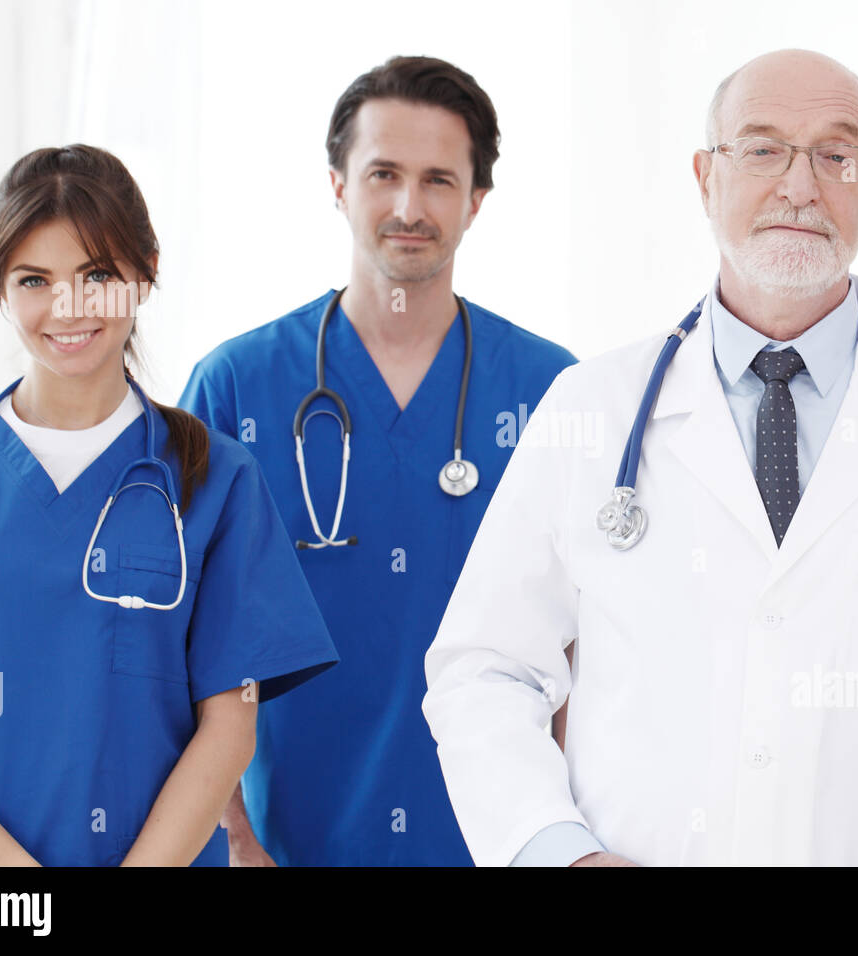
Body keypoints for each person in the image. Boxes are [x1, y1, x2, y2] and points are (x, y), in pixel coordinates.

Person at [421, 49, 858, 867]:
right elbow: (484, 669)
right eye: (762, 149)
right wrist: (555, 851)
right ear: (704, 177)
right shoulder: (592, 409)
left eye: (837, 155)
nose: (800, 187)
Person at [179, 55, 575, 866]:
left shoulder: (553, 392)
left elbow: (586, 648)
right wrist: (232, 833)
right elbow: (183, 637)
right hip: (284, 843)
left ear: (477, 201)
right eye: (382, 173)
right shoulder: (235, 387)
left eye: (437, 179)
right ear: (336, 184)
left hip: (498, 843)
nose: (407, 206)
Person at [0, 145, 337, 866]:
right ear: (1, 290)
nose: (68, 308)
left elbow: (229, 727)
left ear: (147, 271)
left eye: (97, 275)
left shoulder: (215, 477)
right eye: (34, 279)